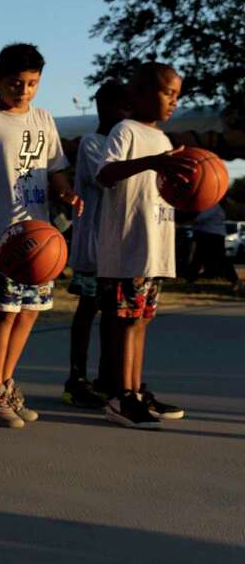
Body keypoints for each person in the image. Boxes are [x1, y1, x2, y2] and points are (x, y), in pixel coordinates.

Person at [0, 43, 82, 428]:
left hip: (39, 237)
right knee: (3, 313)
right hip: (0, 236)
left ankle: (1, 385)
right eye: (15, 83)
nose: (23, 91)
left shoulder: (44, 119)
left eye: (31, 83)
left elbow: (55, 167)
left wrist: (65, 191)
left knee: (29, 313)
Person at [96, 62, 195, 428]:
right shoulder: (125, 131)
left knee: (140, 322)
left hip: (154, 247)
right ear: (139, 94)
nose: (173, 102)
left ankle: (136, 392)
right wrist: (152, 162)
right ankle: (120, 397)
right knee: (125, 323)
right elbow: (105, 174)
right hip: (128, 249)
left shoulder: (165, 141)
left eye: (177, 96)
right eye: (168, 93)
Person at [63, 82, 130, 408]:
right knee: (87, 310)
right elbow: (110, 182)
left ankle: (107, 377)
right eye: (124, 108)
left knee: (112, 313)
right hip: (92, 245)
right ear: (108, 109)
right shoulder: (93, 143)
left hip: (115, 247)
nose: (128, 115)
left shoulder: (124, 143)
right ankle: (76, 378)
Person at [187, 203, 241, 291]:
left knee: (220, 259)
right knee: (198, 257)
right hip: (206, 234)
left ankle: (235, 280)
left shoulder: (213, 206)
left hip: (213, 235)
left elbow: (199, 218)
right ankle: (190, 280)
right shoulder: (210, 206)